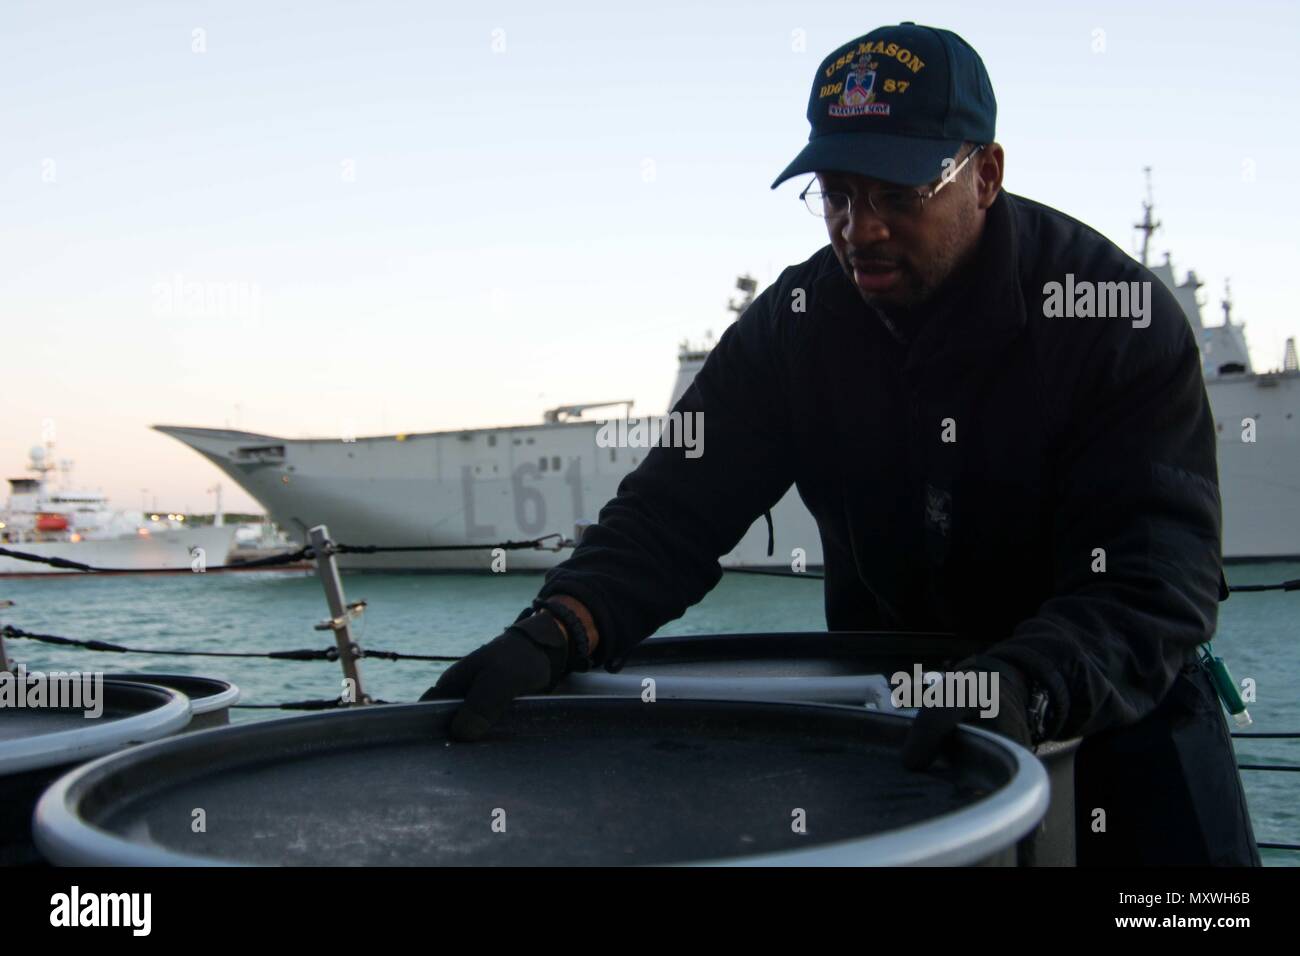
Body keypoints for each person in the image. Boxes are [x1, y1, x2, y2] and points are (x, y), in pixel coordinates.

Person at [425, 22, 1260, 866]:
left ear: (988, 174)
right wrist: (563, 625)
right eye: (837, 195)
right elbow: (672, 511)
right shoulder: (795, 327)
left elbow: (1156, 581)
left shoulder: (1113, 320)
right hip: (899, 739)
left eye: (898, 194)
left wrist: (1021, 683)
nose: (860, 230)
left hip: (1122, 722)